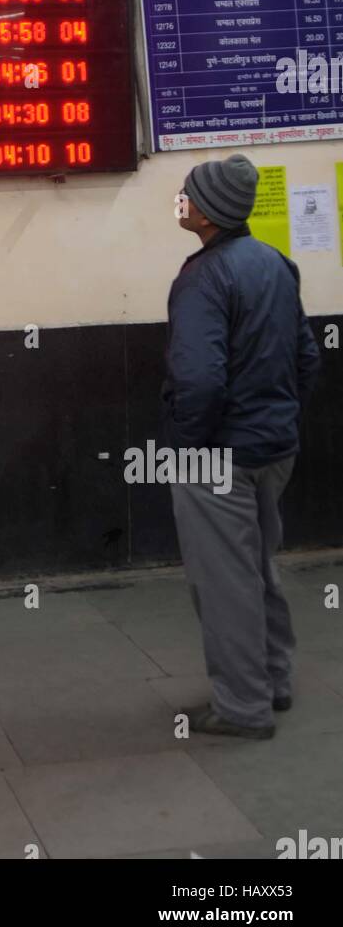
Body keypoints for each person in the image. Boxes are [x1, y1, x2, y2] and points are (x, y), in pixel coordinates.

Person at [164, 153, 321, 739]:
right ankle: (274, 681)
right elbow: (307, 357)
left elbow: (200, 380)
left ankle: (241, 708)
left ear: (208, 210)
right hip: (274, 447)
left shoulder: (203, 277)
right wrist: (277, 418)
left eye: (186, 193)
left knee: (225, 584)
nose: (179, 199)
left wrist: (186, 447)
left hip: (218, 455)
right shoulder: (276, 264)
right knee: (259, 570)